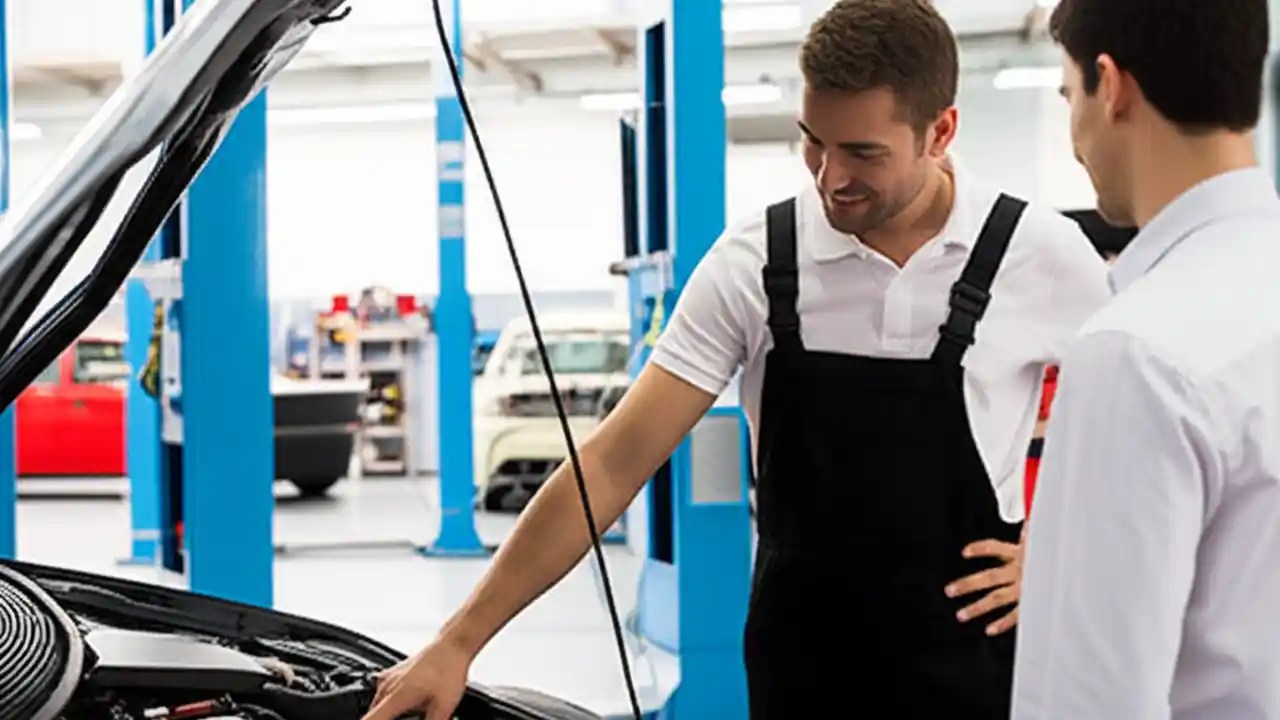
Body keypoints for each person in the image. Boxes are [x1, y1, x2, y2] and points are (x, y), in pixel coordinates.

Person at [362, 1, 1111, 718]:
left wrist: (1053, 553)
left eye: (863, 153)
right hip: (803, 666)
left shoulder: (1037, 255)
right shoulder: (757, 261)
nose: (829, 178)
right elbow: (612, 464)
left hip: (971, 667)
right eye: (813, 139)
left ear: (940, 131)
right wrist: (456, 644)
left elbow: (1140, 431)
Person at [1011, 1, 1280, 717]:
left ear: (1112, 86)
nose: (1074, 134)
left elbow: (1086, 702)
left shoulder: (1135, 354)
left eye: (1070, 95)